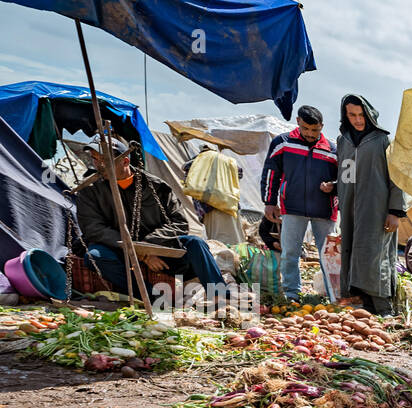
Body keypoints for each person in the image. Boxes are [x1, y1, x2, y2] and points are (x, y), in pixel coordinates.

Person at [76, 139, 226, 296]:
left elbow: (179, 223)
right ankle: (152, 297)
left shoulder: (156, 186)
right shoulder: (89, 191)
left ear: (125, 161)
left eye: (104, 160)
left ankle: (220, 295)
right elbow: (94, 229)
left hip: (157, 245)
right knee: (94, 257)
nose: (98, 165)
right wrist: (138, 251)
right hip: (117, 249)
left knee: (196, 243)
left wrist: (147, 246)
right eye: (95, 158)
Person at [336, 94, 409, 315]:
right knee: (353, 252)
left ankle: (383, 307)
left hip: (377, 208)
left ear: (369, 114)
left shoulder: (382, 141)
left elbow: (397, 177)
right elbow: (346, 173)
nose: (358, 120)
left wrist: (395, 211)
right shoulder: (343, 141)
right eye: (352, 115)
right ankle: (363, 306)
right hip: (350, 209)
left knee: (375, 254)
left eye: (361, 115)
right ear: (345, 115)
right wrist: (335, 187)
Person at [262, 105, 338, 301]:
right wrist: (269, 202)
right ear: (298, 122)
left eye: (315, 130)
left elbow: (345, 180)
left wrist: (333, 186)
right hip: (292, 207)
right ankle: (291, 295)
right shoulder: (283, 143)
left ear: (322, 126)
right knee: (290, 253)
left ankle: (334, 296)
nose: (310, 134)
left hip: (325, 210)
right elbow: (271, 173)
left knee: (329, 256)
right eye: (306, 129)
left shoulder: (332, 150)